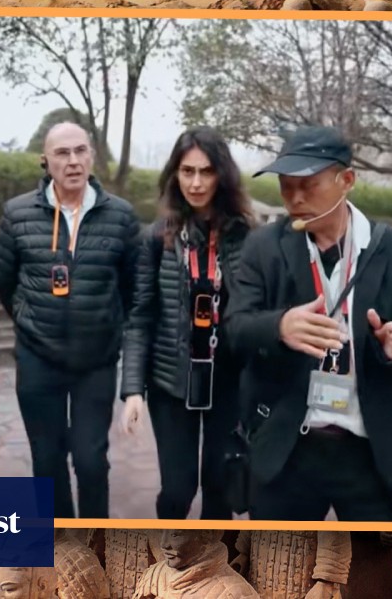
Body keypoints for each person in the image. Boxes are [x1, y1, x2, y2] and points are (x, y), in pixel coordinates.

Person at [225, 125, 392, 522]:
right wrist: (279, 326)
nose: (295, 199)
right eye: (286, 186)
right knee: (279, 573)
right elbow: (235, 328)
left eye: (308, 185)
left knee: (375, 573)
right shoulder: (263, 248)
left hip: (372, 448)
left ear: (347, 180)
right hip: (287, 447)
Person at [0, 122, 139, 519]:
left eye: (80, 151)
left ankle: (95, 545)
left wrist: (107, 324)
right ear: (46, 161)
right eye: (62, 153)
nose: (72, 161)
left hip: (96, 361)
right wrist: (28, 318)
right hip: (39, 360)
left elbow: (130, 288)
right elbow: (5, 282)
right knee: (47, 461)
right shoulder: (18, 213)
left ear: (92, 155)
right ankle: (58, 544)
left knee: (92, 460)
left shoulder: (121, 217)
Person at [119, 127, 255, 520]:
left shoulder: (244, 236)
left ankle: (220, 566)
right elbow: (140, 315)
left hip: (226, 380)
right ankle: (170, 562)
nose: (196, 182)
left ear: (222, 176)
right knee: (178, 489)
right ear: (174, 175)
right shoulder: (157, 238)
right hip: (170, 381)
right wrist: (132, 390)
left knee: (219, 485)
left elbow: (254, 313)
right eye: (187, 171)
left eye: (207, 172)